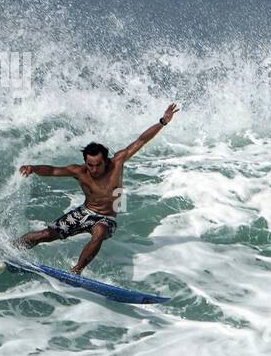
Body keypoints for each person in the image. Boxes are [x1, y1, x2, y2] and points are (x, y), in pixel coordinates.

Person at [15, 103, 179, 274]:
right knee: (44, 235)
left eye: (98, 165)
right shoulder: (79, 171)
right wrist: (33, 168)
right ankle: (9, 250)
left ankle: (76, 271)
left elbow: (141, 140)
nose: (93, 169)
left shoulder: (117, 163)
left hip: (107, 217)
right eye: (90, 165)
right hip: (85, 211)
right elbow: (53, 170)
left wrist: (162, 122)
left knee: (99, 232)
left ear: (105, 160)